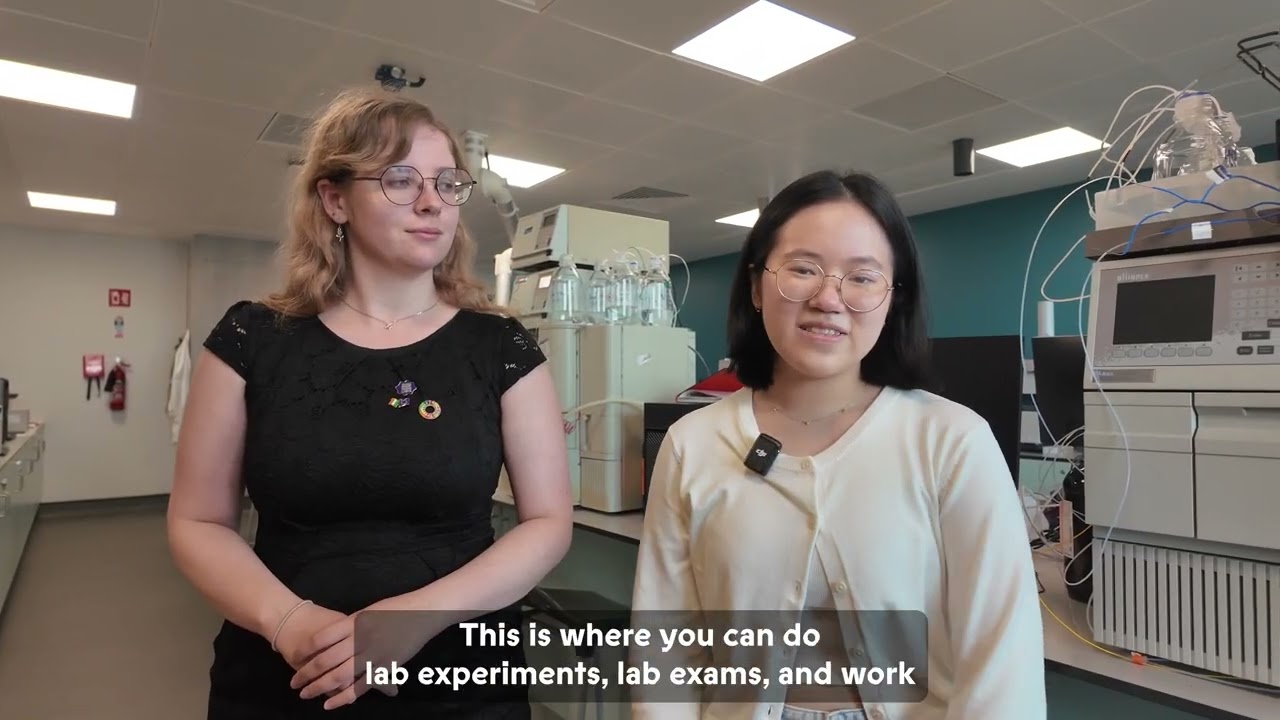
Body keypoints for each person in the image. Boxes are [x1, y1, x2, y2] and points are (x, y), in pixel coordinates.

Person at [166, 87, 574, 719]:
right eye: (401, 179)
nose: (433, 202)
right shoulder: (252, 338)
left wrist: (411, 619)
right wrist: (291, 623)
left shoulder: (500, 344)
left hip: (460, 682)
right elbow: (197, 522)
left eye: (447, 183)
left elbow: (547, 521)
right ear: (334, 199)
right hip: (289, 677)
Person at [631, 170, 1046, 720]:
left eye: (862, 277)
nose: (829, 298)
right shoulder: (692, 444)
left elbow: (1001, 663)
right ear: (756, 286)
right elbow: (665, 653)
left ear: (893, 298)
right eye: (803, 269)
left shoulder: (953, 442)